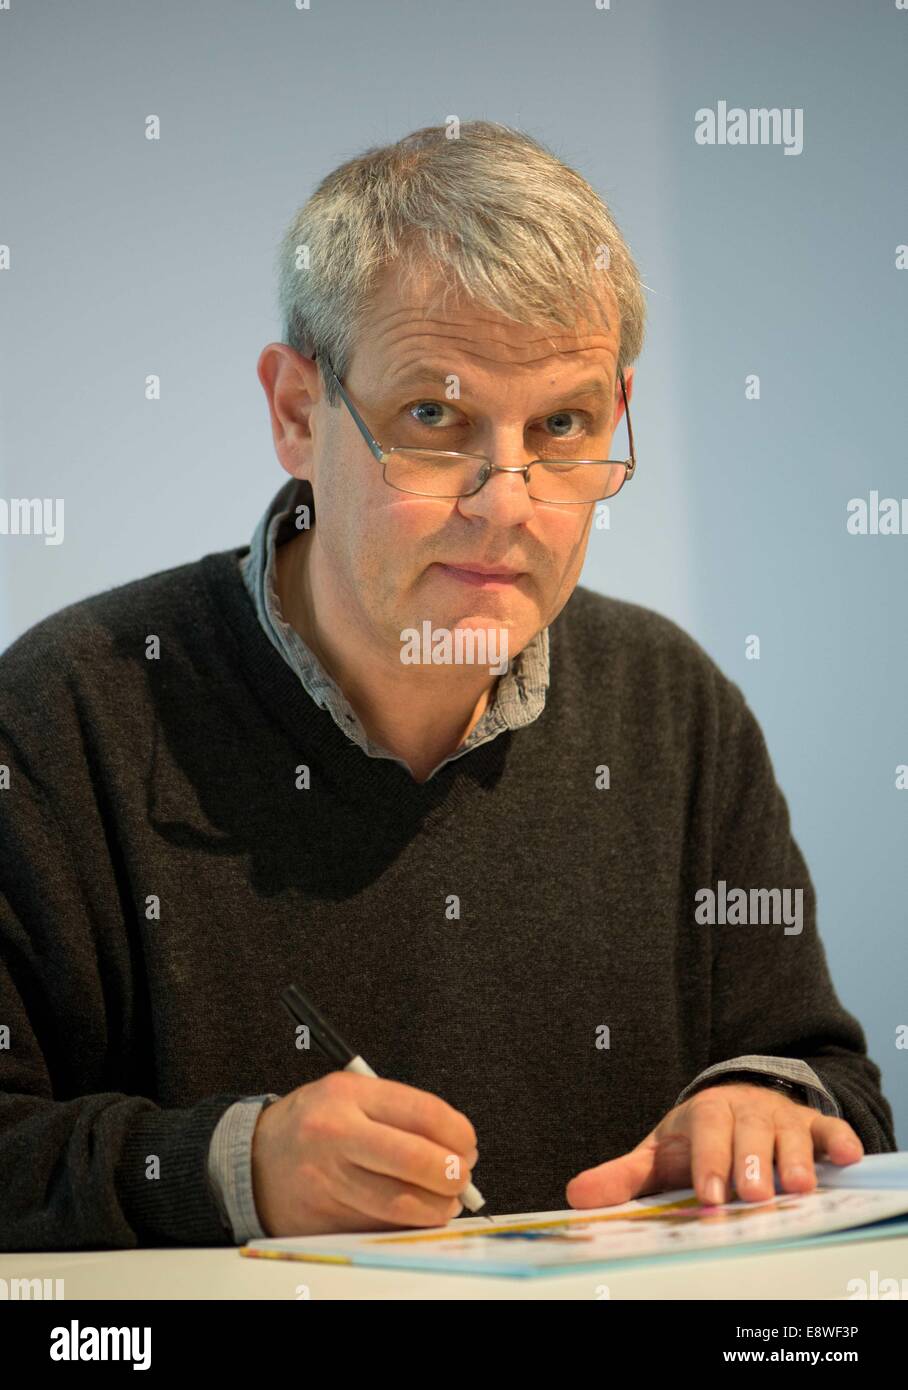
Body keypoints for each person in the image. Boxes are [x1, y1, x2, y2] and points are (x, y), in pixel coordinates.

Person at [0, 121, 894, 1251]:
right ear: (293, 412)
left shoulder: (673, 705)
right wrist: (233, 1168)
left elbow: (826, 1075)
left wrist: (762, 1111)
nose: (507, 502)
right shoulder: (63, 714)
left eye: (560, 427)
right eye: (435, 418)